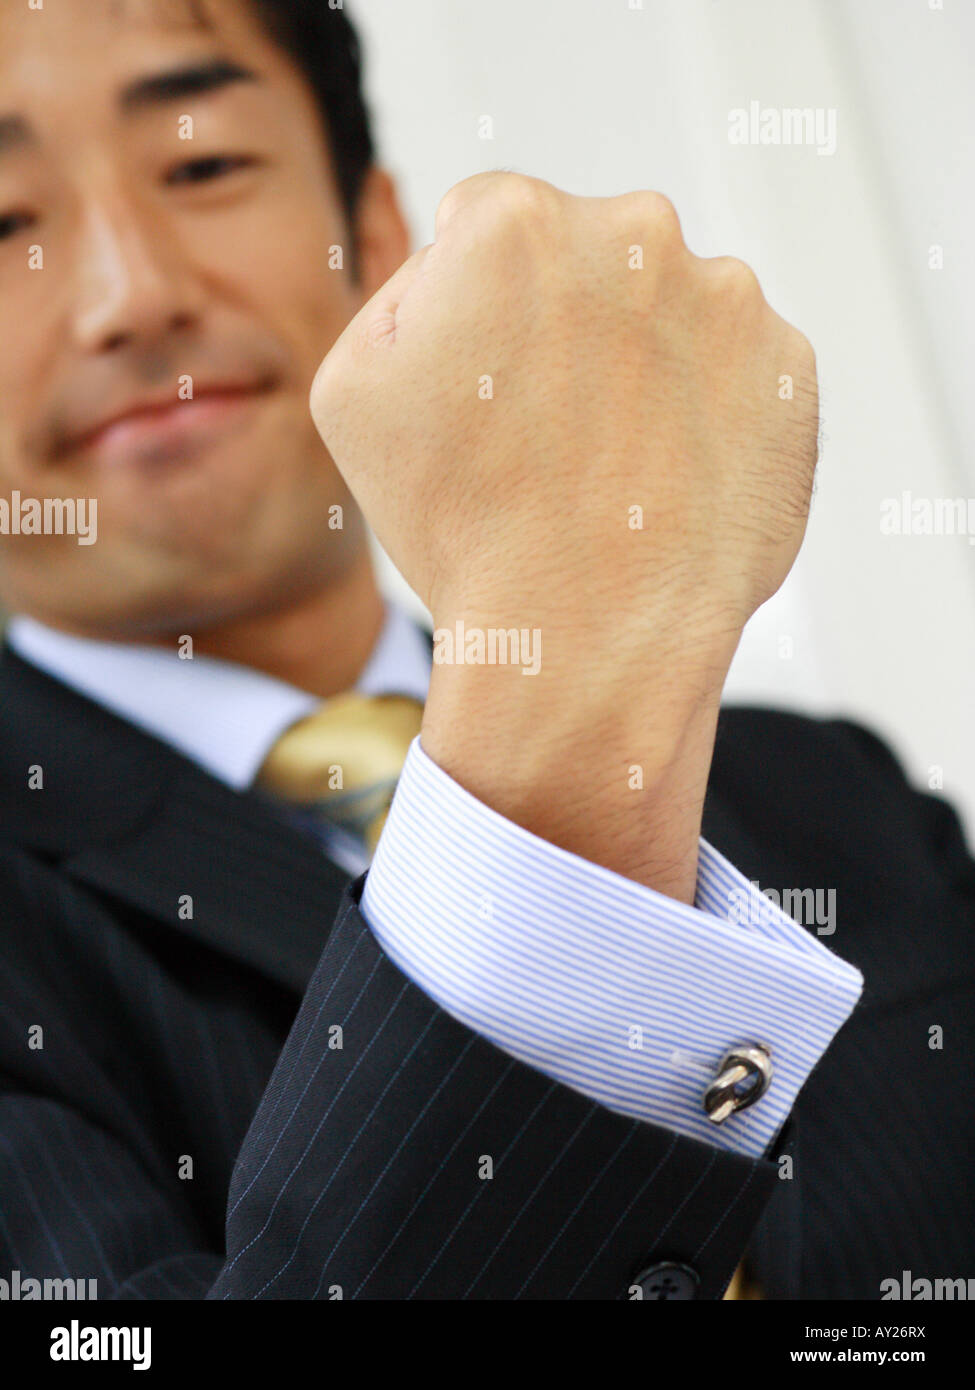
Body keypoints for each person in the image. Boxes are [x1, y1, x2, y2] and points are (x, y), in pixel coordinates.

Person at [0, 0, 970, 1302]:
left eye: (202, 164)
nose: (131, 294)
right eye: (6, 223)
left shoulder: (837, 795)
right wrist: (560, 707)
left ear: (383, 239)